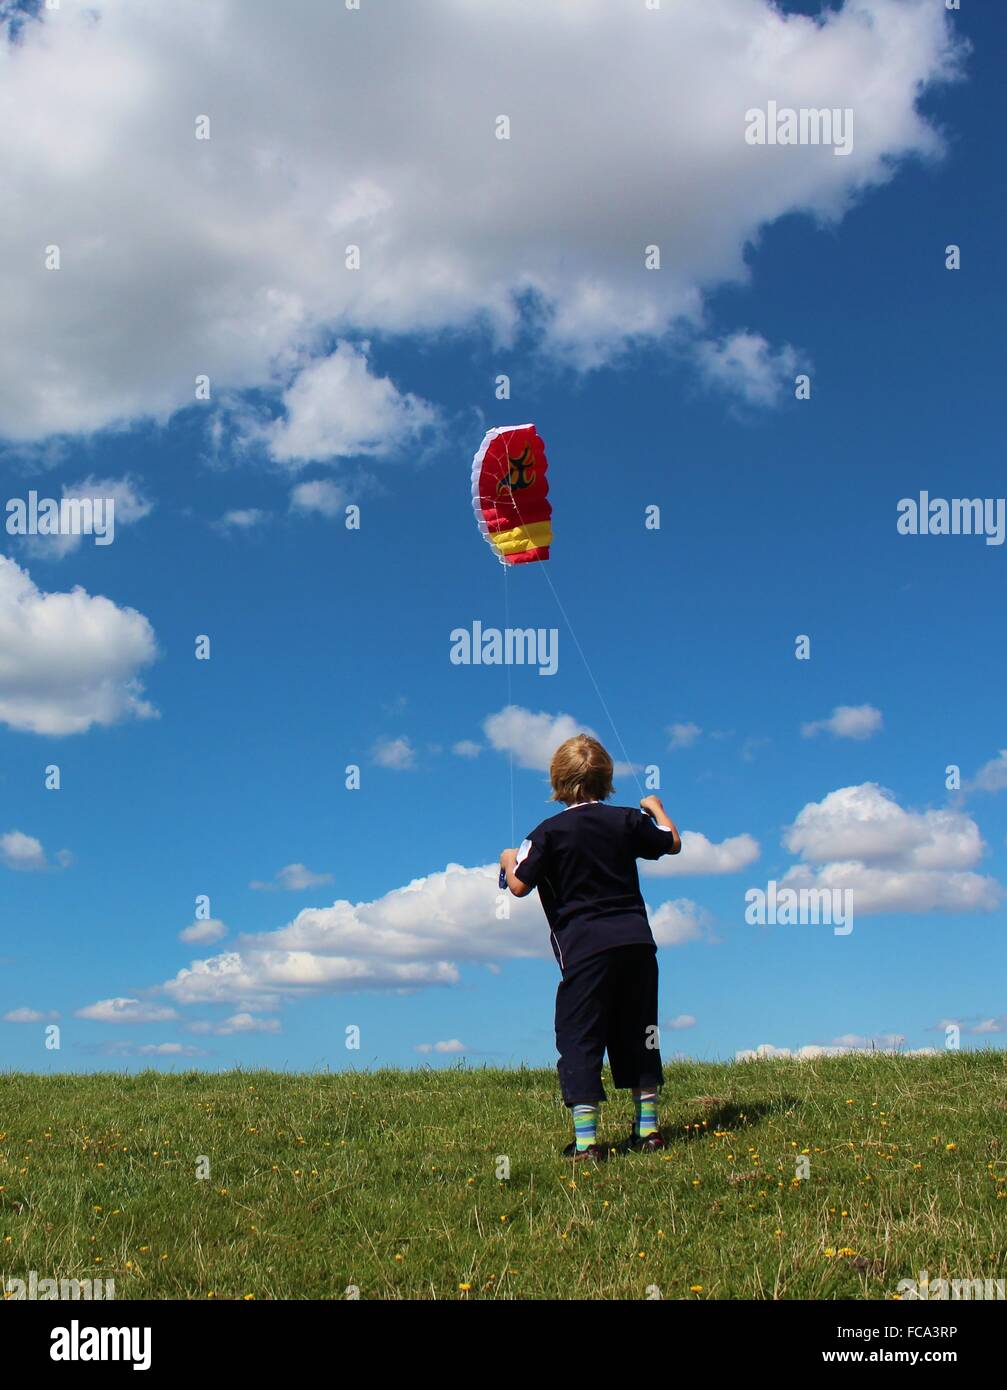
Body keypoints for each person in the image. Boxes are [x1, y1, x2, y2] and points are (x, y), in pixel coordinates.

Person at [499, 733, 682, 1160]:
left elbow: (519, 885)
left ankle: (586, 1143)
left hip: (585, 950)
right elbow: (671, 842)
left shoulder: (547, 833)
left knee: (579, 1036)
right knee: (641, 1031)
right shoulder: (626, 820)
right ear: (607, 779)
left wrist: (508, 857)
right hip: (637, 944)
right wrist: (655, 807)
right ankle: (648, 1132)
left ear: (557, 781)